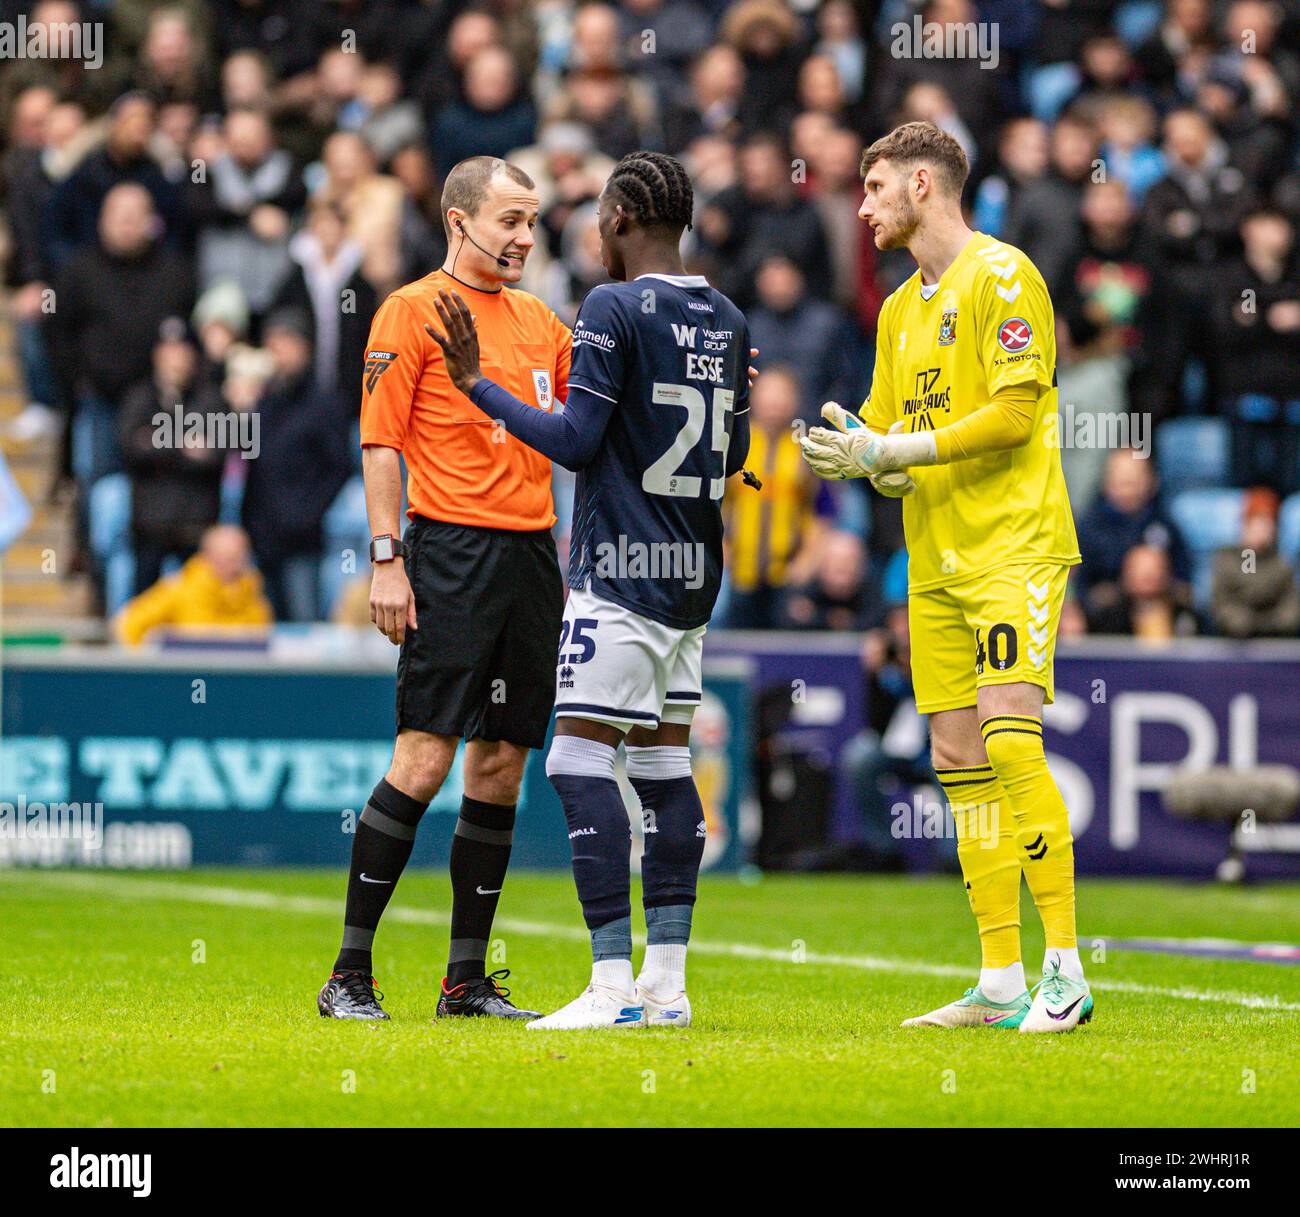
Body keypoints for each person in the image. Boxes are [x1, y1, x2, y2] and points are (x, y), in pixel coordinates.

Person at [427, 151, 752, 1030]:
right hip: (692, 579)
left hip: (622, 573)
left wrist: (475, 385)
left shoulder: (612, 304)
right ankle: (668, 985)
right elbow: (732, 458)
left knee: (575, 763)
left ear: (616, 221)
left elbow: (573, 441)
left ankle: (612, 986)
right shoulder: (724, 314)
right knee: (661, 765)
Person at [799, 122, 1091, 1033]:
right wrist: (862, 452)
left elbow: (1013, 414)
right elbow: (891, 437)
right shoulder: (896, 309)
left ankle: (1068, 972)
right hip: (932, 558)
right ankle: (1000, 977)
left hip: (1012, 545)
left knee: (1009, 744)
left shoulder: (1005, 274)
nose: (863, 203)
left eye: (875, 185)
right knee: (957, 757)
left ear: (923, 184)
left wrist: (897, 447)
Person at [317, 157, 571, 1023]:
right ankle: (349, 974)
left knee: (500, 764)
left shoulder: (543, 322)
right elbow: (381, 443)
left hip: (533, 557)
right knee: (424, 759)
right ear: (457, 221)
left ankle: (465, 981)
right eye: (508, 220)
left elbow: (583, 425)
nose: (525, 237)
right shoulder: (409, 309)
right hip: (449, 552)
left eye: (532, 221)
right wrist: (387, 557)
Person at [113, 524, 272, 645]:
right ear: (206, 556)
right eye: (222, 558)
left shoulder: (254, 598)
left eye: (235, 558)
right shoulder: (179, 590)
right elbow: (128, 625)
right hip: (187, 681)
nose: (229, 566)